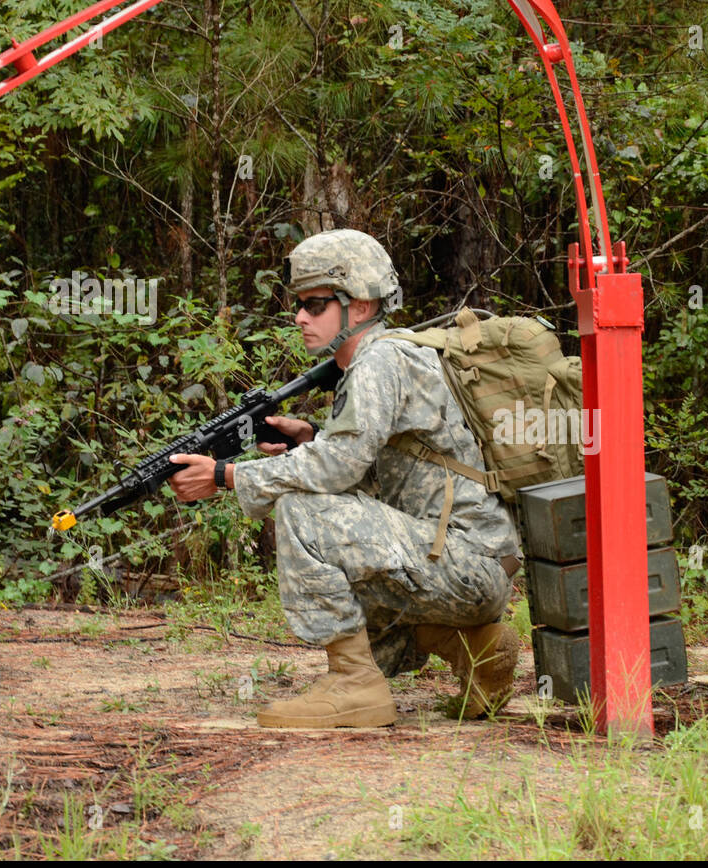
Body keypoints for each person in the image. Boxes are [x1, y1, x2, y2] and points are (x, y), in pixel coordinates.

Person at [165, 229, 522, 728]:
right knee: (329, 528)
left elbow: (339, 468)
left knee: (302, 509)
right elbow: (376, 468)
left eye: (314, 305)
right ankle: (472, 648)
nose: (300, 318)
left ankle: (355, 684)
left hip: (463, 563)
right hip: (471, 564)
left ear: (358, 306)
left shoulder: (380, 360)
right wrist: (310, 439)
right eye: (300, 306)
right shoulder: (390, 356)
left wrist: (228, 476)